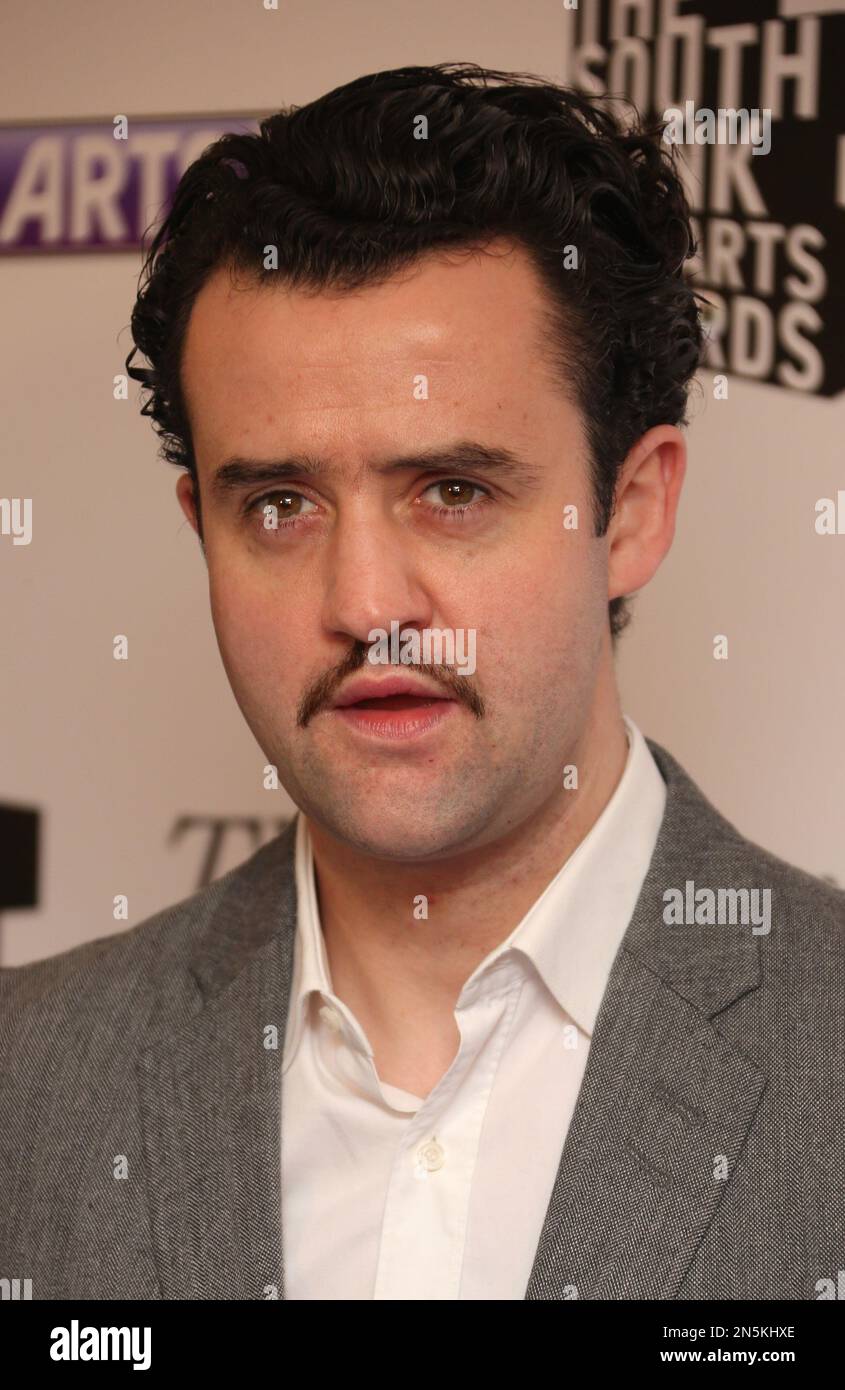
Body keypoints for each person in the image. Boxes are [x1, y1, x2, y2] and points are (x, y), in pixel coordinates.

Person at [2, 63, 842, 1302]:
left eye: (452, 492)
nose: (364, 604)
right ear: (203, 528)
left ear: (631, 508)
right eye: (279, 505)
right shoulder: (30, 1081)